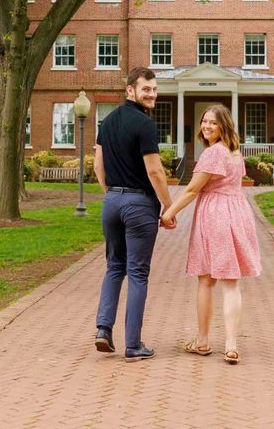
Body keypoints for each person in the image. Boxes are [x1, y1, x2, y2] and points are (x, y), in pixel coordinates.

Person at [161, 105, 261, 365]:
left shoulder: (212, 153)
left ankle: (204, 341)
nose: (206, 127)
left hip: (215, 214)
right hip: (238, 212)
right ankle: (231, 345)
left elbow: (193, 190)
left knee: (206, 280)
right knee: (231, 281)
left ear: (223, 126)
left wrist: (169, 212)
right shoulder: (235, 152)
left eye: (212, 123)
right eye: (204, 122)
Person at [93, 68, 175, 361]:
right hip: (139, 204)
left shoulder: (108, 122)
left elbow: (97, 167)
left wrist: (111, 194)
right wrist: (168, 205)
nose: (151, 94)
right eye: (146, 89)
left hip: (112, 201)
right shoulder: (144, 124)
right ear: (130, 90)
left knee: (115, 267)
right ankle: (133, 344)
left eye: (154, 89)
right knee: (138, 272)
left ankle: (103, 329)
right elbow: (155, 171)